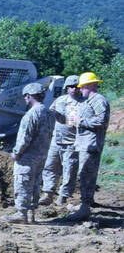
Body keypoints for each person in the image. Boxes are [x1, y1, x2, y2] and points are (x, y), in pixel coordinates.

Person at [7, 82, 54, 224]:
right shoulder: (49, 113)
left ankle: (21, 214)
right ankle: (31, 215)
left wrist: (16, 152)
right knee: (35, 184)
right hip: (42, 156)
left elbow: (24, 138)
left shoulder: (31, 115)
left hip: (28, 156)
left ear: (28, 96)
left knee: (22, 183)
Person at [67, 71, 111, 221]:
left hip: (91, 145)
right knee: (85, 174)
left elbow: (102, 121)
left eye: (83, 87)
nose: (80, 90)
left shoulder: (98, 100)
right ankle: (86, 203)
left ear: (92, 85)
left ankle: (85, 207)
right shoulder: (88, 102)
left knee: (86, 175)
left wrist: (81, 122)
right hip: (85, 144)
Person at [39, 75, 82, 208]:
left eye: (76, 86)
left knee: (69, 170)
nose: (73, 89)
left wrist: (62, 118)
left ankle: (63, 197)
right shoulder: (60, 100)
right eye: (70, 86)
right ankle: (48, 193)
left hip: (71, 142)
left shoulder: (84, 103)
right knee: (50, 167)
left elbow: (79, 123)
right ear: (66, 88)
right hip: (56, 140)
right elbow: (50, 113)